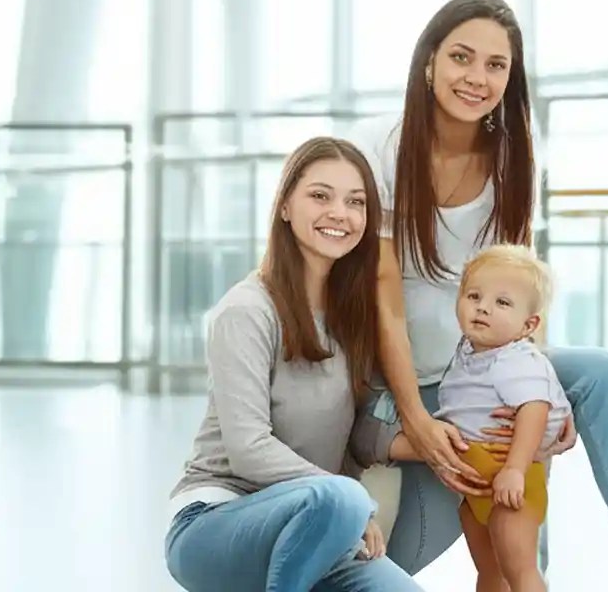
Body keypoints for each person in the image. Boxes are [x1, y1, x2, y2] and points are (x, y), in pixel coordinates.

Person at [345, 0, 608, 591]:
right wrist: (419, 418)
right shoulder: (378, 148)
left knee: (593, 374)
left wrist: (545, 388)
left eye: (495, 65)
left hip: (487, 366)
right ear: (429, 62)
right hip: (405, 384)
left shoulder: (514, 156)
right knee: (381, 565)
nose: (477, 78)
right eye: (461, 58)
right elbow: (385, 306)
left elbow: (521, 286)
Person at [164, 137, 419, 591]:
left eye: (355, 202)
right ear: (284, 206)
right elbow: (247, 448)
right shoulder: (246, 311)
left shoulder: (351, 316)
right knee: (341, 495)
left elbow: (352, 429)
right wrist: (351, 503)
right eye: (320, 196)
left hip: (319, 530)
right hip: (216, 523)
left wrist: (421, 442)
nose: (340, 212)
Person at [427, 244, 572, 592]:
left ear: (528, 325)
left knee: (519, 571)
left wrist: (514, 470)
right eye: (474, 296)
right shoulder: (468, 352)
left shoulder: (516, 359)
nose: (483, 307)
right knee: (490, 573)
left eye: (502, 303)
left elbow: (535, 411)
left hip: (510, 487)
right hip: (478, 490)